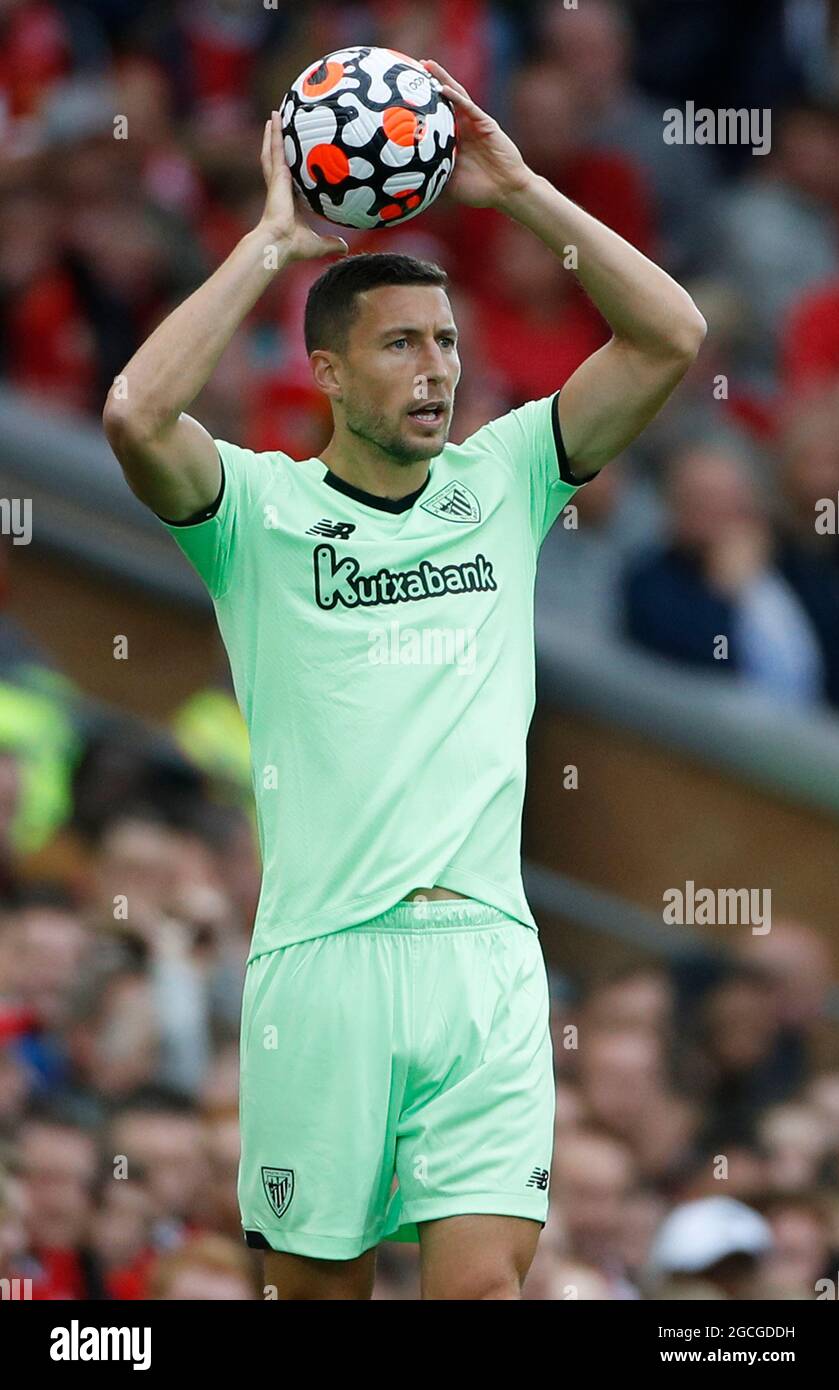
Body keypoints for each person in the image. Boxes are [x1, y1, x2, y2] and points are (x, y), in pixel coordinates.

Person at [102, 57, 706, 1300]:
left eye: (445, 343)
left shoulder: (505, 481)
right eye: (398, 347)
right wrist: (271, 244)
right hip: (321, 957)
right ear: (326, 372)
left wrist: (522, 190)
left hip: (484, 953)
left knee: (482, 1291)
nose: (435, 369)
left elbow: (670, 336)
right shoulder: (256, 513)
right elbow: (132, 418)